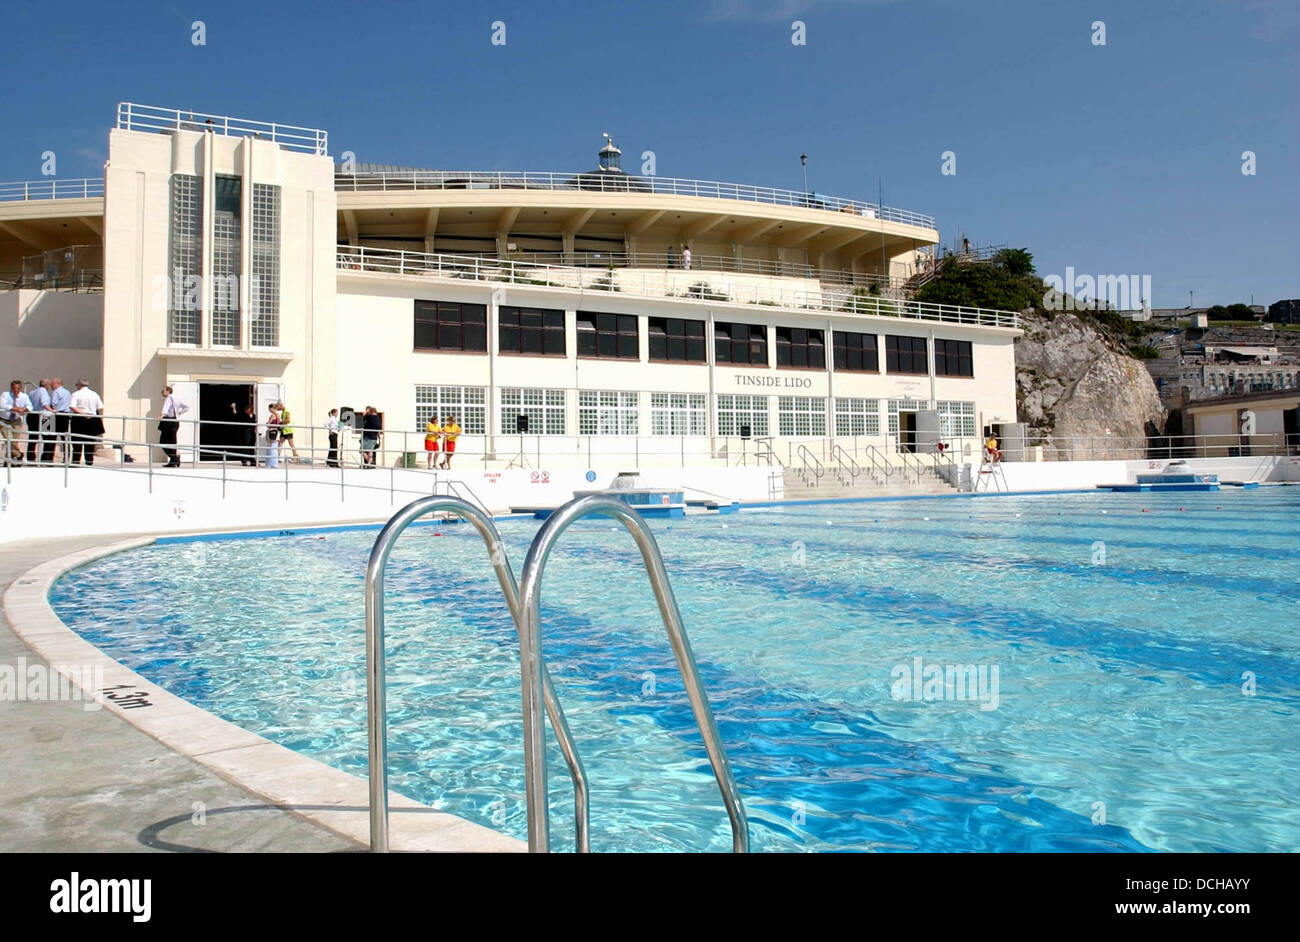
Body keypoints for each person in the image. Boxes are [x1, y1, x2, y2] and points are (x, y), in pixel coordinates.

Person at [68, 380, 105, 465]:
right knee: (90, 443)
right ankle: (89, 461)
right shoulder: (94, 394)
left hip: (79, 419)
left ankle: (76, 461)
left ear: (79, 385)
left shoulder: (76, 394)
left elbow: (72, 406)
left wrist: (83, 413)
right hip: (92, 419)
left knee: (77, 442)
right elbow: (100, 407)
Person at [0, 380, 32, 465]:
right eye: (14, 388)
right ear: (11, 388)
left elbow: (30, 406)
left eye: (18, 388)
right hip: (4, 420)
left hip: (16, 420)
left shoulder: (24, 396)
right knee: (8, 439)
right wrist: (16, 409)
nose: (16, 390)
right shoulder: (5, 394)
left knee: (14, 441)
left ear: (21, 388)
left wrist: (24, 410)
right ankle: (18, 454)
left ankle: (9, 461)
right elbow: (2, 405)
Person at [157, 385, 189, 467]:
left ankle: (174, 459)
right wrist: (180, 412)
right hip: (175, 422)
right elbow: (187, 407)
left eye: (163, 391)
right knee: (172, 442)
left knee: (163, 441)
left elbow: (165, 408)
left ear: (168, 391)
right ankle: (174, 459)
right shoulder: (177, 398)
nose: (162, 393)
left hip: (169, 422)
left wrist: (161, 415)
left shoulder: (169, 398)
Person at [45, 377, 72, 464]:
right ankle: (66, 458)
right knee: (65, 438)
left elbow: (54, 404)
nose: (51, 386)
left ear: (57, 384)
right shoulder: (68, 392)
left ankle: (49, 458)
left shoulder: (55, 392)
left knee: (51, 437)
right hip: (66, 415)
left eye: (52, 384)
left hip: (57, 415)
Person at [26, 379, 50, 464]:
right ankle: (46, 458)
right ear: (46, 385)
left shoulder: (32, 392)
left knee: (32, 438)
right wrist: (51, 410)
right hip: (44, 416)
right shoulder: (43, 392)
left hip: (32, 415)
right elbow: (44, 403)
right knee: (47, 438)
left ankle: (30, 457)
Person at [264, 404, 281, 468]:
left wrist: (266, 423)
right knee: (275, 448)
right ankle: (275, 463)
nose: (269, 410)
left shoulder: (272, 415)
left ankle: (269, 464)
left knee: (270, 448)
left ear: (272, 408)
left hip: (271, 432)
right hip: (276, 432)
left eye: (269, 408)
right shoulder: (278, 415)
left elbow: (268, 424)